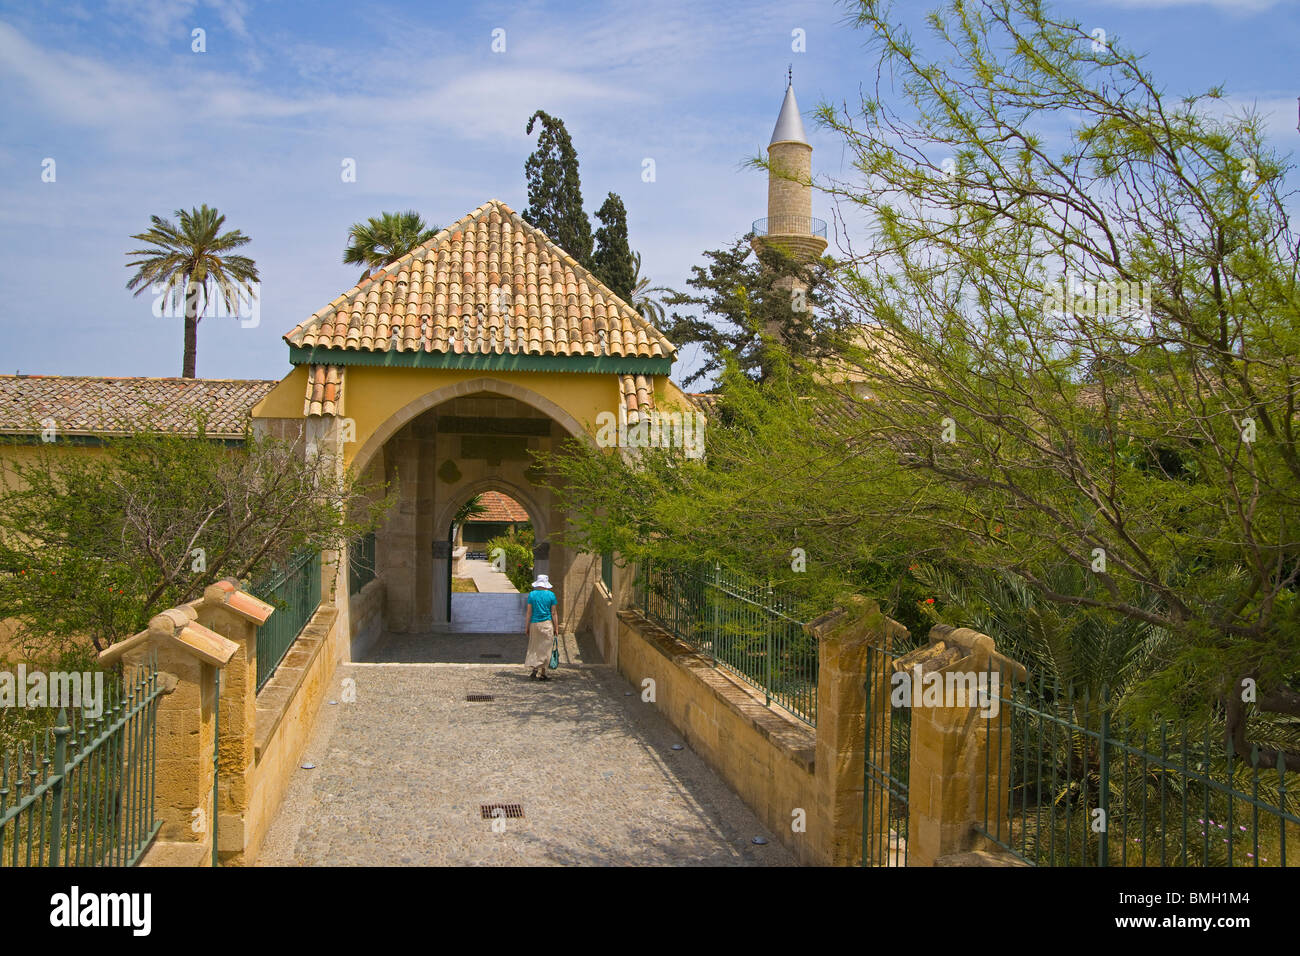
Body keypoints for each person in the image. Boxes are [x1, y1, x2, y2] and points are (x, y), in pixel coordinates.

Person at [523, 574, 560, 681]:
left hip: (534, 624)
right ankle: (543, 673)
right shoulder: (551, 595)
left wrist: (527, 626)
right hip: (547, 624)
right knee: (545, 648)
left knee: (535, 646)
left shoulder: (532, 595)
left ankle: (534, 669)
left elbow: (529, 612)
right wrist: (556, 628)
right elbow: (554, 613)